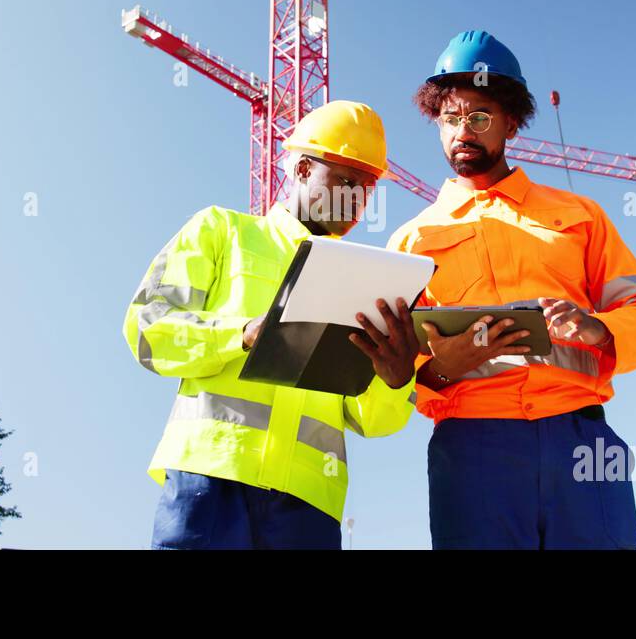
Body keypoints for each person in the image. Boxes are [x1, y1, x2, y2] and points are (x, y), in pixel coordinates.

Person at [387, 30, 636, 549]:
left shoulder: (579, 215)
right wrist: (447, 364)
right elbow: (397, 365)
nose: (462, 131)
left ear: (511, 121)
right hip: (472, 447)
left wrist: (599, 328)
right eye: (450, 119)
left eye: (479, 116)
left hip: (580, 438)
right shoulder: (410, 241)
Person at [124, 100, 421, 549]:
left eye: (368, 188)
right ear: (302, 169)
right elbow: (149, 330)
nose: (358, 200)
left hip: (308, 505)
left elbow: (369, 419)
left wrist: (395, 381)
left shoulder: (363, 283)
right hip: (211, 479)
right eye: (345, 181)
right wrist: (240, 334)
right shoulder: (223, 232)